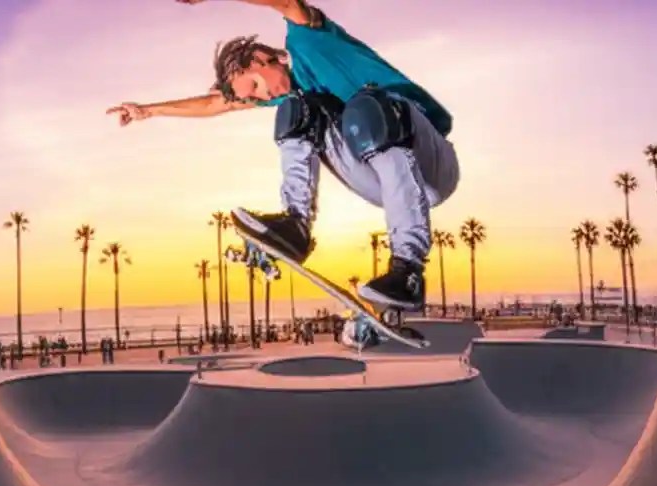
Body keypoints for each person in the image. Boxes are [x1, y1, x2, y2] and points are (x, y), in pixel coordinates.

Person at [108, 0, 458, 311]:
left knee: (369, 109)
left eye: (258, 86)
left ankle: (407, 271)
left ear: (262, 58)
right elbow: (216, 104)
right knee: (297, 110)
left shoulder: (308, 40)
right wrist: (148, 111)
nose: (264, 96)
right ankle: (296, 225)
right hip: (382, 185)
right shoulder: (290, 95)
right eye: (256, 98)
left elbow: (287, 2)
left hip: (429, 162)